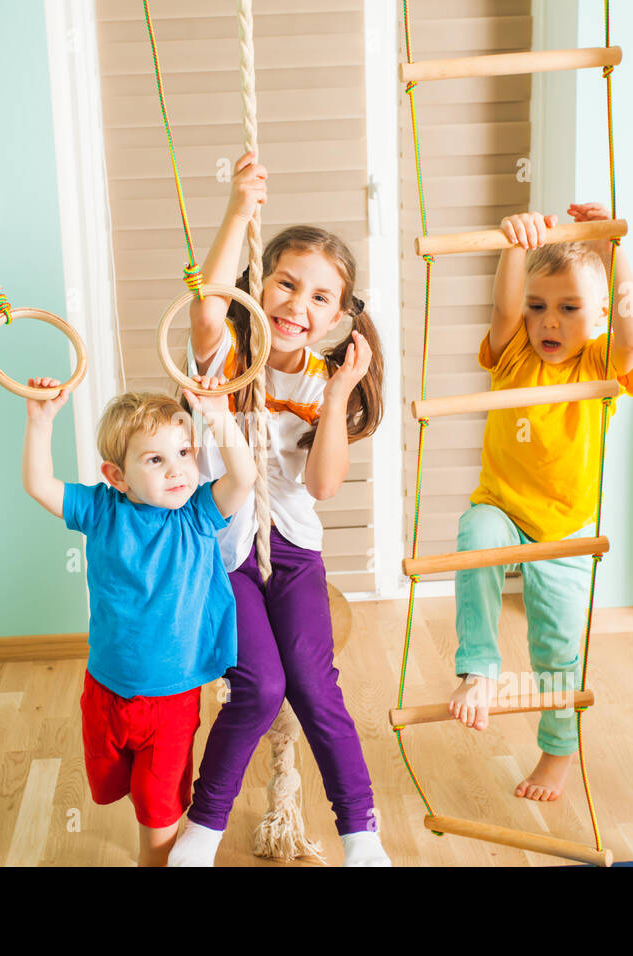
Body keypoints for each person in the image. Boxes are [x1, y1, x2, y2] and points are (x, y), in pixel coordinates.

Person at [168, 153, 390, 866]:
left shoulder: (332, 378)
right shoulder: (229, 352)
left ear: (339, 316)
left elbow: (323, 487)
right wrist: (238, 208)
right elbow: (207, 303)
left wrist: (336, 396)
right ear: (257, 286)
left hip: (291, 550)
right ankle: (199, 837)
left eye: (321, 297)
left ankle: (362, 838)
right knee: (260, 687)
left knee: (314, 689)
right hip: (221, 548)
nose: (298, 306)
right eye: (286, 284)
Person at [447, 203, 633, 801]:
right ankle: (477, 667)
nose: (548, 321)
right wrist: (516, 244)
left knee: (557, 645)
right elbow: (505, 309)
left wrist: (613, 246)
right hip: (503, 506)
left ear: (600, 315)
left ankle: (557, 753)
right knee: (475, 534)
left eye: (568, 308)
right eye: (539, 306)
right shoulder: (513, 358)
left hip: (566, 526)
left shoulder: (600, 362)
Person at [20, 374, 256, 865]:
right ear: (117, 476)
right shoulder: (101, 510)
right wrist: (40, 421)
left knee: (157, 813)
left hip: (171, 699)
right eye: (156, 459)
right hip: (105, 689)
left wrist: (218, 417)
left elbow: (244, 478)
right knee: (111, 785)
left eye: (184, 454)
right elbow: (39, 485)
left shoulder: (197, 513)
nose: (177, 471)